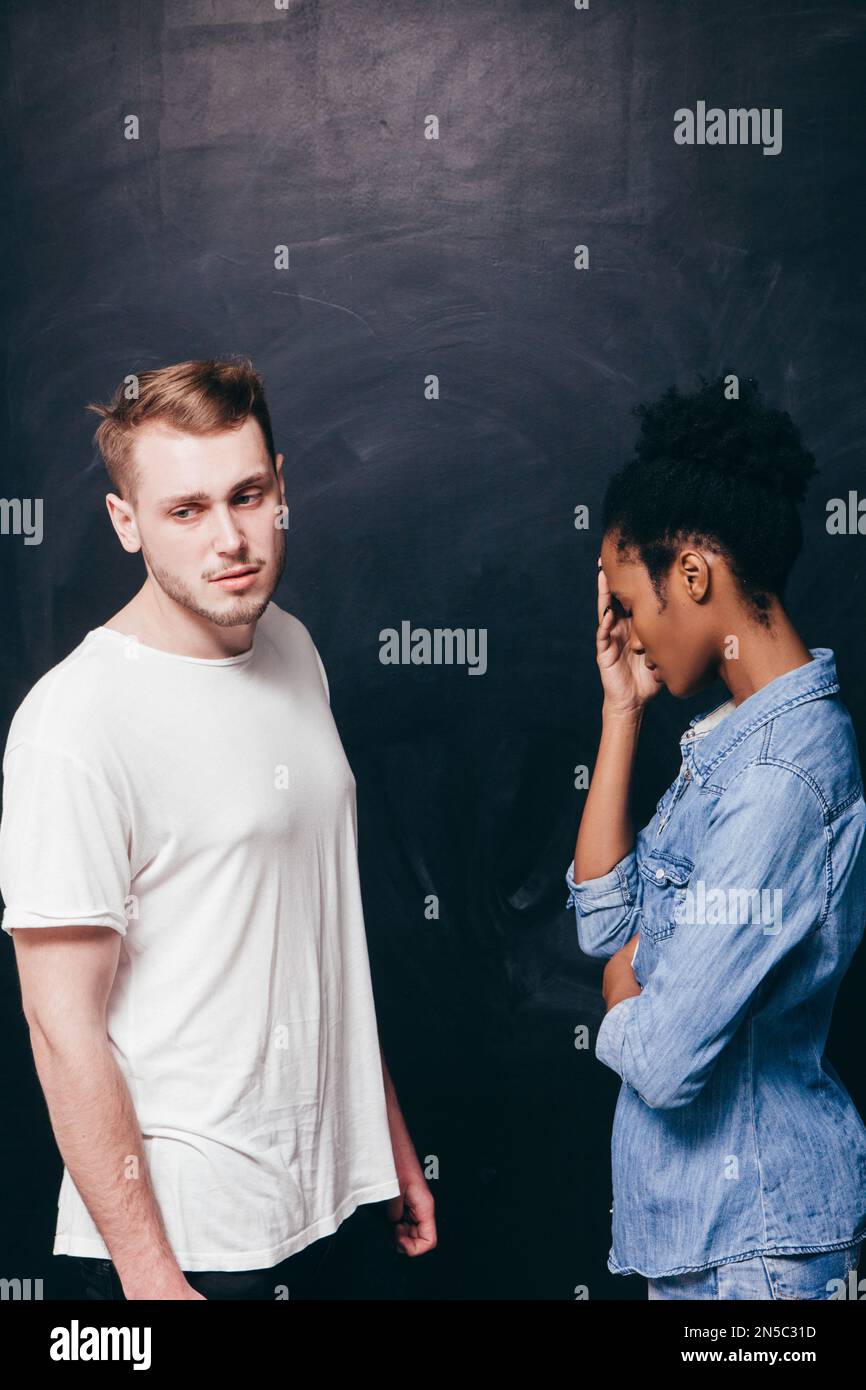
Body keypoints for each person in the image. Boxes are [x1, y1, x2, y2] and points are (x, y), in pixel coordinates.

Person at [0, 357, 436, 1300]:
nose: (231, 539)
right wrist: (152, 1279)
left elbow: (312, 933)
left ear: (283, 486)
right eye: (185, 510)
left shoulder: (292, 646)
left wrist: (387, 1143)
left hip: (325, 1210)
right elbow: (59, 1024)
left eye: (248, 495)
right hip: (182, 1247)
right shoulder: (75, 722)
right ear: (127, 524)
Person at [565, 375, 866, 1301]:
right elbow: (601, 926)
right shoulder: (732, 748)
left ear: (691, 576)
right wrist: (622, 715)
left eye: (628, 599)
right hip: (708, 1243)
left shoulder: (779, 782)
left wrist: (628, 982)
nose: (623, 628)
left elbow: (662, 1055)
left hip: (756, 1255)